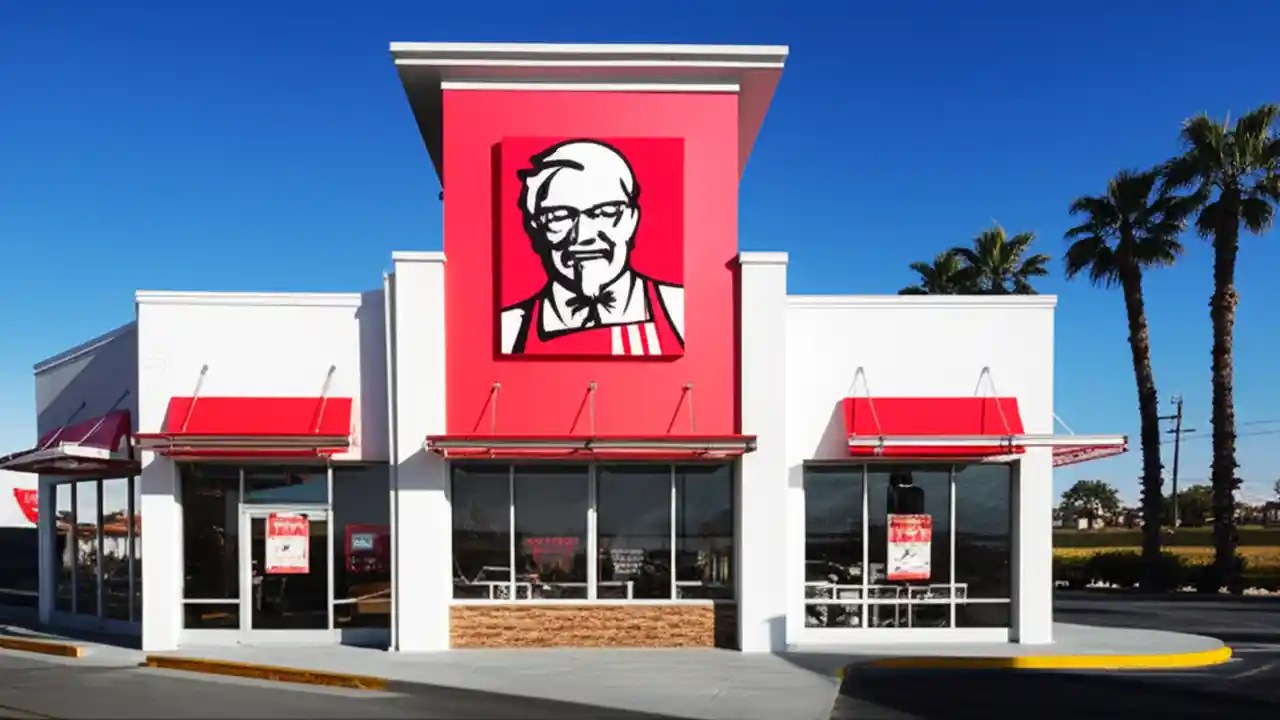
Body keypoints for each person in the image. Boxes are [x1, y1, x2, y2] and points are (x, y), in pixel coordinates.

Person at [501, 139, 685, 356]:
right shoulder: (510, 329)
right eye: (559, 216)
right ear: (536, 227)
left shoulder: (678, 308)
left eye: (605, 212)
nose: (583, 236)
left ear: (632, 219)